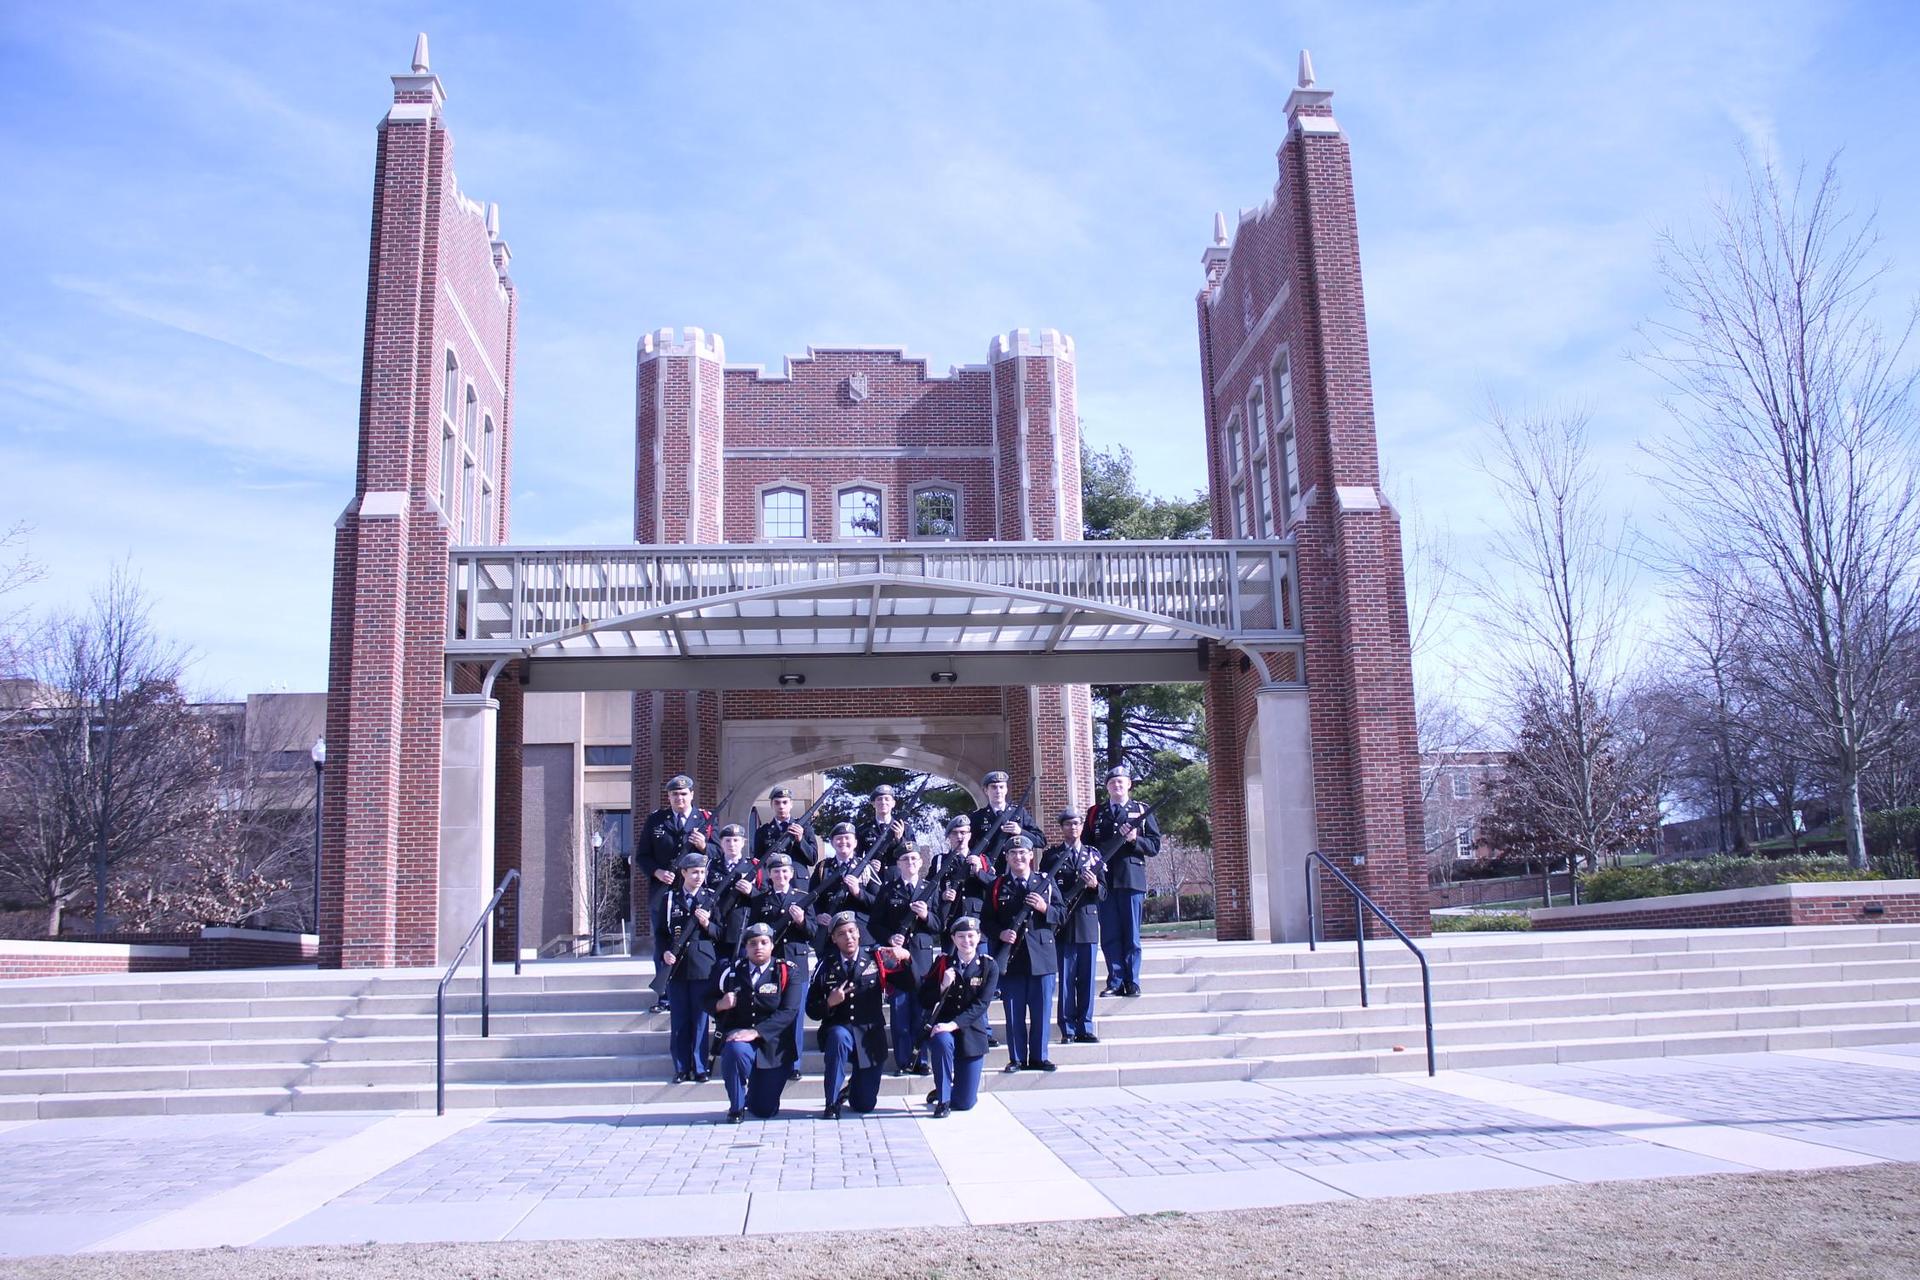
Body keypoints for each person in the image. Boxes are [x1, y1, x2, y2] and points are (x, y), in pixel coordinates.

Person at [707, 922, 803, 1123]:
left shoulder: (787, 972)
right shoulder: (731, 971)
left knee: (764, 1109)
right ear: (746, 947)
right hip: (741, 1039)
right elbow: (704, 998)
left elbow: (789, 1011)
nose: (758, 947)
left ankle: (755, 1094)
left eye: (763, 942)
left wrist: (757, 1032)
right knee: (734, 1049)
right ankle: (736, 1107)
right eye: (752, 943)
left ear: (772, 945)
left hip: (775, 1045)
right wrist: (720, 1004)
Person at [636, 775, 714, 1013]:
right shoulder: (656, 820)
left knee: (696, 940)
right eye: (674, 795)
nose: (679, 798)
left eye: (683, 794)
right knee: (663, 942)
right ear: (668, 797)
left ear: (691, 795)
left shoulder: (705, 820)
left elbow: (719, 852)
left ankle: (698, 991)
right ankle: (664, 994)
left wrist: (704, 846)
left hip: (696, 892)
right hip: (665, 891)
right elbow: (642, 856)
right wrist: (657, 872)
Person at [985, 836, 1062, 1072]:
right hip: (1012, 958)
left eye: (1023, 853)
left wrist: (1044, 908)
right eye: (1013, 853)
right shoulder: (997, 885)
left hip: (1041, 955)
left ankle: (1039, 1056)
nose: (1018, 857)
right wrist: (1000, 934)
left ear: (1031, 856)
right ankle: (1017, 1058)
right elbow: (986, 921)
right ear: (1007, 858)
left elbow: (1062, 915)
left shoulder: (1045, 883)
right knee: (1014, 1012)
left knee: (1041, 1011)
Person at [806, 911, 891, 1118]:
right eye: (842, 933)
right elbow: (811, 1009)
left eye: (852, 931)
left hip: (869, 1035)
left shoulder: (876, 958)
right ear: (834, 938)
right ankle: (832, 1102)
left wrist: (906, 961)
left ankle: (854, 1087)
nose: (849, 937)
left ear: (859, 933)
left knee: (864, 1105)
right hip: (839, 1029)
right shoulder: (825, 965)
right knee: (838, 1036)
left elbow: (909, 983)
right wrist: (828, 1003)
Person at [868, 843, 942, 1075]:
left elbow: (940, 926)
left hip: (921, 959)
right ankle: (903, 1061)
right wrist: (889, 937)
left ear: (921, 863)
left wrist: (925, 915)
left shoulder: (930, 888)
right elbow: (873, 924)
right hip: (897, 962)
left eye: (914, 859)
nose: (910, 863)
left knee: (922, 1013)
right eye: (905, 860)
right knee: (900, 1015)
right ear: (898, 864)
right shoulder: (888, 890)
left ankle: (921, 1060)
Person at [1090, 764, 1160, 998]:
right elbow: (1088, 846)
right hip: (1105, 880)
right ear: (1107, 787)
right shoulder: (1096, 813)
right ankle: (1115, 980)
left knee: (1131, 935)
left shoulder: (1142, 810)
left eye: (1121, 782)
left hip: (1131, 879)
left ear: (1129, 784)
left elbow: (1154, 846)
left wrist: (1134, 839)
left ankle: (1133, 981)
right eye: (1112, 783)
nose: (1116, 786)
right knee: (1110, 934)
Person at [920, 916, 999, 1117]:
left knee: (965, 1103)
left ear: (979, 937)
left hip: (971, 1032)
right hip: (943, 1028)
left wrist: (954, 1024)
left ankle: (946, 1091)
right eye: (961, 936)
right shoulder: (942, 963)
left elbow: (981, 1005)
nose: (966, 941)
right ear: (953, 939)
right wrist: (942, 985)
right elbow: (923, 999)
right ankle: (943, 1100)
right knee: (941, 1040)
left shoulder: (989, 966)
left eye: (971, 936)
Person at [745, 852, 812, 1078]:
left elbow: (814, 932)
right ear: (769, 875)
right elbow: (753, 932)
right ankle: (770, 1060)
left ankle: (794, 1064)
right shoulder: (760, 900)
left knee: (795, 1015)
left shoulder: (803, 897)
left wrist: (802, 920)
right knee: (770, 1014)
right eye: (776, 871)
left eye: (785, 871)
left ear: (791, 874)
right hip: (770, 967)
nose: (781, 875)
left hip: (796, 964)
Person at [1042, 809, 1104, 1044]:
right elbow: (1046, 889)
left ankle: (1085, 1027)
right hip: (1063, 924)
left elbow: (1104, 893)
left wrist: (1095, 884)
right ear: (1062, 828)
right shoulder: (1051, 856)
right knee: (1066, 980)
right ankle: (1067, 1028)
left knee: (1086, 979)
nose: (1073, 828)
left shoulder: (1094, 855)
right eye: (1068, 824)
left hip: (1087, 923)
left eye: (1077, 824)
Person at [659, 852, 719, 1083]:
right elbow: (661, 933)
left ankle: (700, 1066)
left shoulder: (711, 898)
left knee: (701, 1020)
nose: (699, 876)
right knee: (680, 1020)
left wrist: (707, 924)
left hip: (703, 965)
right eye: (694, 872)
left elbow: (720, 932)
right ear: (683, 872)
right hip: (677, 967)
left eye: (702, 872)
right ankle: (681, 1067)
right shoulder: (670, 899)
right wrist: (665, 951)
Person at [810, 821, 876, 954]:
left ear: (856, 843)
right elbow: (811, 898)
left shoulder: (866, 868)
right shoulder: (823, 868)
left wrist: (858, 893)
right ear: (832, 843)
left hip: (861, 934)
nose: (843, 842)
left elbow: (878, 903)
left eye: (847, 838)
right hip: (832, 933)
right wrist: (818, 916)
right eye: (839, 838)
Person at [969, 770, 1044, 874]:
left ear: (1006, 790)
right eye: (994, 787)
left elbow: (1041, 841)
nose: (998, 791)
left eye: (1001, 787)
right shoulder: (978, 817)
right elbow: (970, 846)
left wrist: (1020, 831)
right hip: (987, 871)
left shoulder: (1019, 813)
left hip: (1014, 871)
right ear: (986, 790)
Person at [706, 823, 759, 958]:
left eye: (736, 840)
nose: (732, 844)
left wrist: (751, 891)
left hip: (741, 928)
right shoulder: (710, 865)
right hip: (716, 927)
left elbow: (764, 897)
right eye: (727, 840)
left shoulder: (754, 866)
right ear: (721, 843)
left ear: (743, 843)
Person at [753, 786, 816, 870]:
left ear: (791, 804)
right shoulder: (763, 831)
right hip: (773, 879)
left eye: (785, 802)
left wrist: (800, 840)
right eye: (777, 803)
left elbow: (813, 859)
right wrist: (766, 861)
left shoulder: (804, 827)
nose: (781, 806)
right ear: (771, 805)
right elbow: (757, 862)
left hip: (797, 881)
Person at [856, 783, 910, 881]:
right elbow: (856, 857)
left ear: (893, 803)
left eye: (887, 799)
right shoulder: (864, 829)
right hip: (872, 880)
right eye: (879, 799)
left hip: (897, 880)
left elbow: (912, 855)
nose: (883, 802)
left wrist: (900, 840)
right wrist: (867, 866)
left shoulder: (904, 827)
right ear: (873, 803)